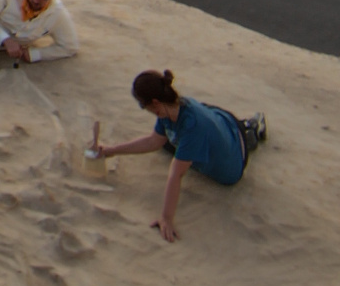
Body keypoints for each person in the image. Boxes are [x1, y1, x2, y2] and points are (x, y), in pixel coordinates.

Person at [87, 69, 268, 242]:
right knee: (170, 141)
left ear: (155, 103)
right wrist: (110, 151)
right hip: (213, 126)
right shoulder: (171, 108)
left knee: (199, 133)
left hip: (233, 161)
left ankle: (252, 129)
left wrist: (166, 218)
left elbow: (176, 174)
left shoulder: (191, 126)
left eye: (144, 106)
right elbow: (153, 141)